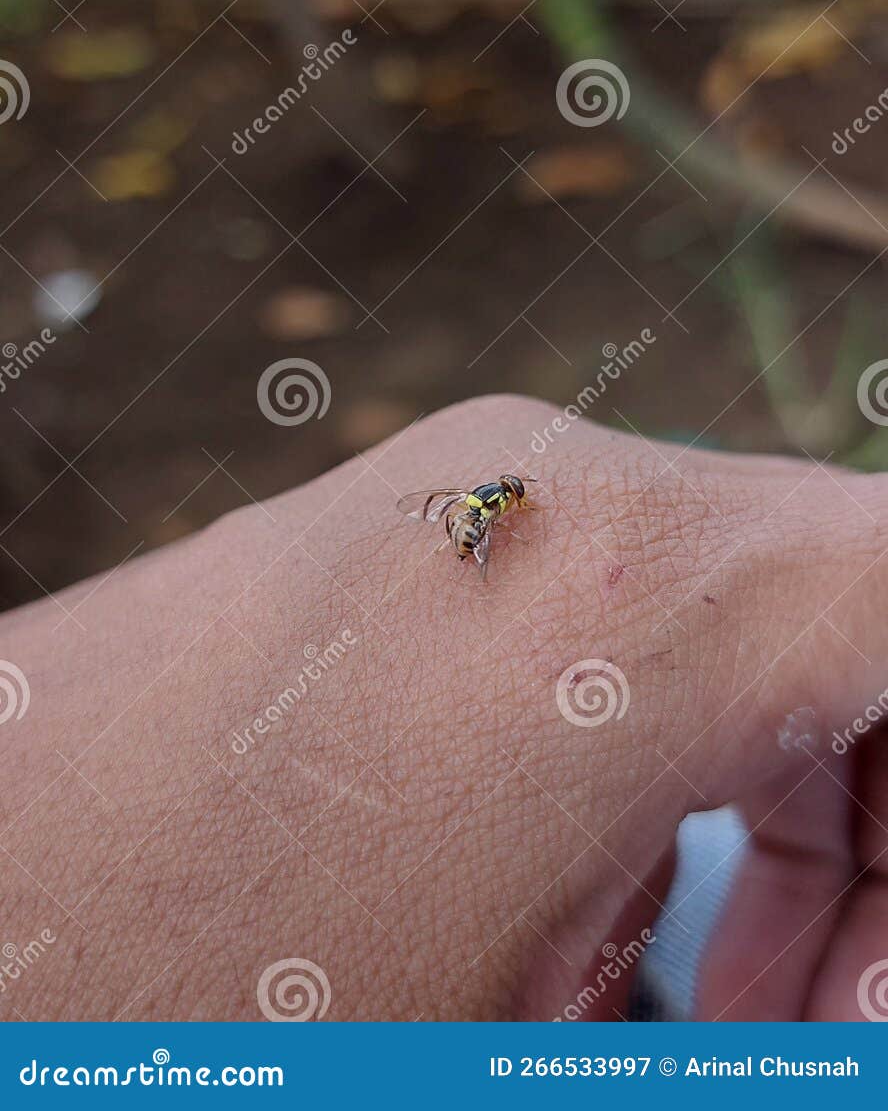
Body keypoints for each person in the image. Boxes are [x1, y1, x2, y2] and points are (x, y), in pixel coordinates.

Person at [1, 394, 885, 1022]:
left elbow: (475, 511)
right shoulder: (490, 511)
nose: (508, 504)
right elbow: (485, 519)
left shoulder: (484, 501)